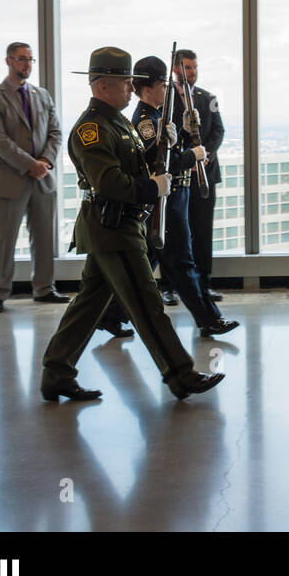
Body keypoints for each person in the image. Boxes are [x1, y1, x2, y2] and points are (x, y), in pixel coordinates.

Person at [39, 46, 224, 402]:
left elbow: (136, 162)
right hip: (113, 229)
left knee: (88, 306)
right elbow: (109, 182)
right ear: (104, 85)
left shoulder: (117, 121)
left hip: (121, 226)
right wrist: (151, 187)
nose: (131, 89)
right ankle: (180, 375)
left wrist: (169, 147)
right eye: (126, 83)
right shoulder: (92, 128)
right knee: (147, 304)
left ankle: (56, 373)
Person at [94, 56, 239, 339]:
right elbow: (159, 165)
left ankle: (111, 315)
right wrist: (192, 155)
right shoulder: (147, 121)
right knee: (183, 262)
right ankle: (209, 319)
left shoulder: (159, 116)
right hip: (165, 201)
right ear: (149, 87)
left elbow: (167, 153)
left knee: (148, 263)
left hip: (173, 197)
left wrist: (185, 133)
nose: (166, 90)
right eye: (163, 85)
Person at [0, 42, 66, 313]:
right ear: (8, 61)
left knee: (44, 237)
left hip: (42, 178)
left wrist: (45, 161)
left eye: (30, 59)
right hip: (10, 179)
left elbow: (55, 132)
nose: (26, 64)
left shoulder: (42, 95)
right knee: (4, 239)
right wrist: (30, 165)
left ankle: (44, 288)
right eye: (21, 59)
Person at [171, 49, 224, 300]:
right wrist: (186, 158)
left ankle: (204, 283)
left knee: (202, 230)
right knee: (176, 231)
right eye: (186, 67)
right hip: (177, 173)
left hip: (206, 173)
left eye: (194, 67)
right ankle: (171, 287)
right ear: (175, 69)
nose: (191, 72)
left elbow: (218, 131)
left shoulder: (208, 97)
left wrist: (204, 156)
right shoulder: (166, 97)